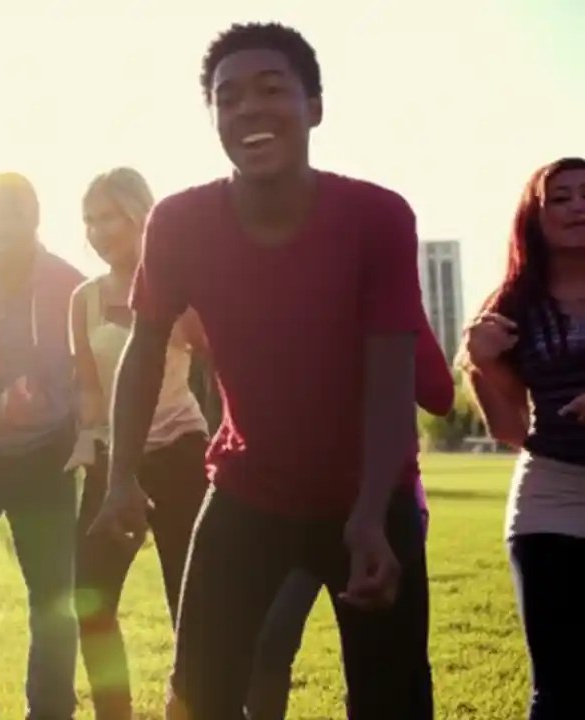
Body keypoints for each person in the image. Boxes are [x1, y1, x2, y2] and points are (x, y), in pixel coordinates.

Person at [90, 22, 432, 719]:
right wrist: (121, 474)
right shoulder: (180, 221)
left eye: (272, 89)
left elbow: (394, 369)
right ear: (213, 117)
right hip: (247, 493)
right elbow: (144, 346)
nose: (248, 108)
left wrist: (371, 514)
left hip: (369, 496)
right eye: (229, 97)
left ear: (315, 106)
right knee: (200, 694)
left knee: (391, 695)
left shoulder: (377, 215)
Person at [246, 317, 453, 719]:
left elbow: (440, 394)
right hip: (296, 506)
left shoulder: (387, 299)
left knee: (387, 671)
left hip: (374, 508)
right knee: (272, 644)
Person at [69, 167, 211, 720]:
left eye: (109, 217)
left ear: (139, 217)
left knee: (189, 601)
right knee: (92, 601)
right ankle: (114, 713)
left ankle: (191, 704)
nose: (98, 231)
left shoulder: (179, 289)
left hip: (179, 450)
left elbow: (220, 363)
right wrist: (85, 438)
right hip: (112, 460)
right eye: (89, 220)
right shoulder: (82, 299)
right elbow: (87, 387)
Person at [0, 172, 85, 720]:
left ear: (35, 215)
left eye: (13, 213)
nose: (1, 225)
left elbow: (83, 368)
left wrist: (45, 396)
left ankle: (50, 711)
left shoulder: (68, 281)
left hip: (47, 457)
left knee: (53, 599)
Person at [461, 157, 585, 720]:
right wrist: (481, 368)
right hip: (551, 498)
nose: (577, 206)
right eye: (559, 197)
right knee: (558, 689)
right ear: (534, 216)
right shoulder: (513, 306)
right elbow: (512, 430)